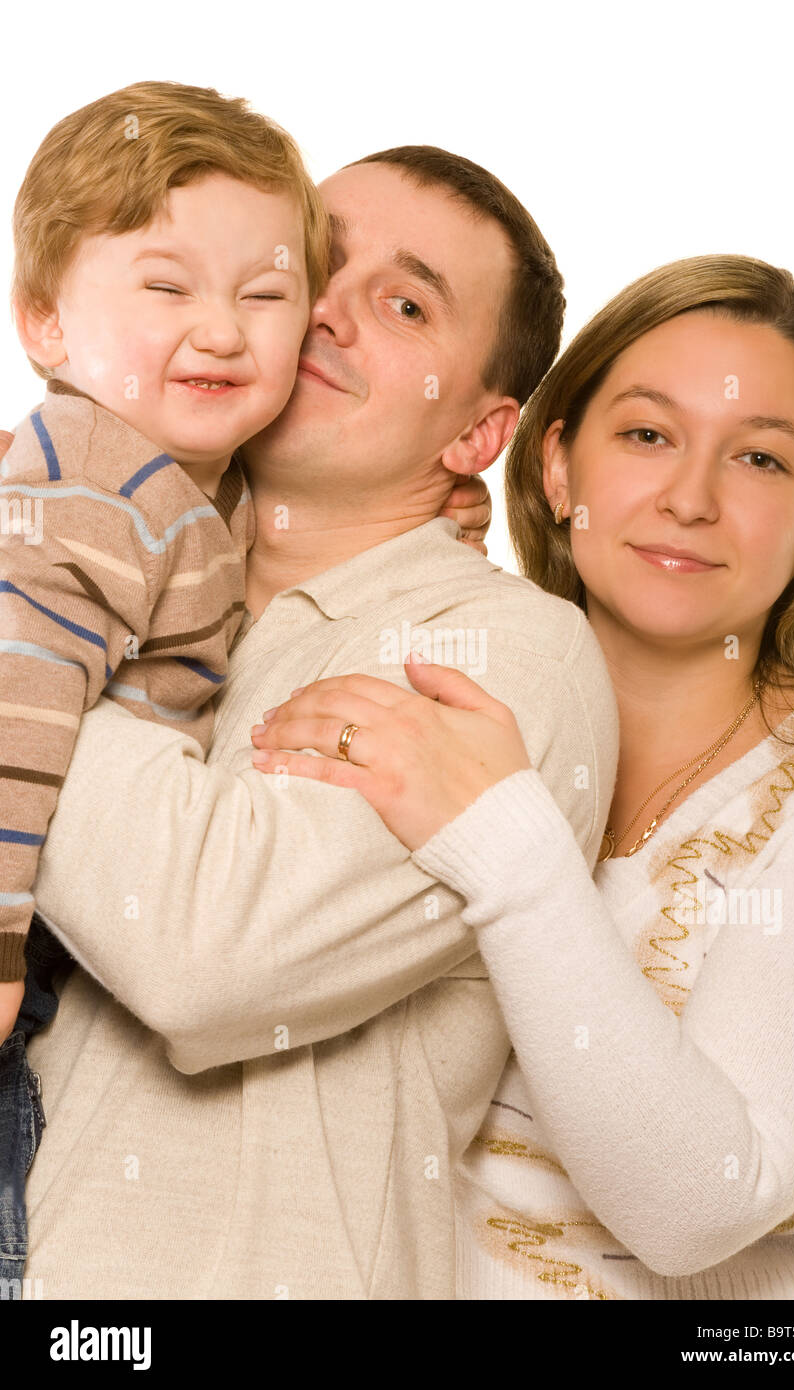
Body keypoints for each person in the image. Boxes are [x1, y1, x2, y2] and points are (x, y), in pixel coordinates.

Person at [2, 144, 618, 1299]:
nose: (324, 310)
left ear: (476, 437)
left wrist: (21, 627)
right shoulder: (128, 561)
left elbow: (207, 954)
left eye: (403, 303)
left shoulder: (501, 648)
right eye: (311, 263)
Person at [250, 254, 794, 1300]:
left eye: (758, 460)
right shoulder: (433, 683)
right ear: (554, 469)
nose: (687, 499)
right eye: (644, 434)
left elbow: (701, 1205)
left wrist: (502, 837)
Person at [0, 78, 329, 1292]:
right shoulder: (88, 480)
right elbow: (14, 708)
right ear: (45, 322)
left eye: (266, 295)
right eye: (165, 286)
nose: (224, 330)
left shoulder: (187, 482)